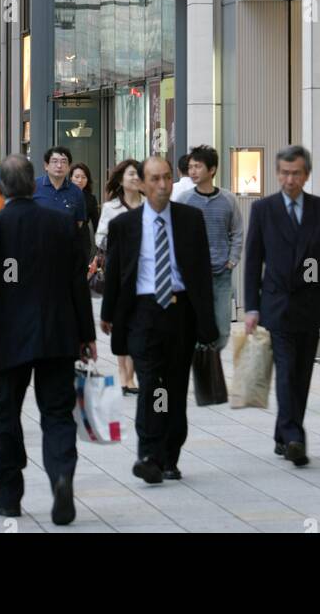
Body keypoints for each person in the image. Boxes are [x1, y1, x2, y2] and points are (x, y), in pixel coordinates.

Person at [0, 155, 96, 526]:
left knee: (7, 413)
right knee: (57, 413)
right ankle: (61, 473)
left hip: (9, 337)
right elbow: (77, 284)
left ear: (0, 188)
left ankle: (9, 497)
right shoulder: (61, 225)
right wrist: (88, 335)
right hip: (58, 334)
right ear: (34, 186)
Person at [100, 154, 217, 484]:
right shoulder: (124, 225)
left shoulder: (190, 219)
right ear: (142, 183)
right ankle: (148, 454)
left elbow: (201, 274)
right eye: (155, 179)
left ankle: (170, 455)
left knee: (175, 388)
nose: (163, 185)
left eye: (167, 177)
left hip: (180, 312)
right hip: (144, 313)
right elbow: (116, 273)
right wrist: (108, 314)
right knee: (152, 384)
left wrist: (209, 323)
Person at [244, 144, 320, 467]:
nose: (289, 179)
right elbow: (254, 261)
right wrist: (251, 307)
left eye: (295, 173)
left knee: (301, 375)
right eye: (284, 173)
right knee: (286, 370)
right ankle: (295, 436)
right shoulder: (264, 210)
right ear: (277, 173)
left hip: (309, 307)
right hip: (277, 306)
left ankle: (284, 433)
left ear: (306, 175)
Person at [184, 145, 244, 351]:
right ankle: (202, 364)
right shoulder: (185, 200)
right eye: (190, 167)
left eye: (198, 166)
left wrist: (232, 260)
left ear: (212, 170)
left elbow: (237, 231)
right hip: (193, 275)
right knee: (195, 326)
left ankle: (209, 358)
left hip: (221, 272)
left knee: (222, 329)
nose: (192, 171)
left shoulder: (228, 199)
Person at [95, 159, 145, 394]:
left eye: (138, 174)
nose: (135, 178)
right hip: (119, 272)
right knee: (121, 324)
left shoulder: (150, 205)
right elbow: (100, 238)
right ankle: (123, 373)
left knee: (137, 326)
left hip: (144, 274)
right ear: (121, 179)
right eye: (131, 174)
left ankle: (130, 376)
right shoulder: (111, 207)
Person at [34, 147, 86, 228]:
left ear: (69, 167)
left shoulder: (76, 192)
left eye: (64, 162)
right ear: (46, 166)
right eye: (54, 161)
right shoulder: (32, 187)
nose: (59, 165)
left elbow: (79, 222)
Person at [69, 162, 99, 269]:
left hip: (83, 241)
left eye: (83, 177)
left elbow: (97, 225)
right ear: (70, 178)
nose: (80, 180)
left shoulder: (91, 198)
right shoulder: (63, 195)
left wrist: (100, 249)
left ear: (87, 180)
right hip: (64, 240)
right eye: (76, 177)